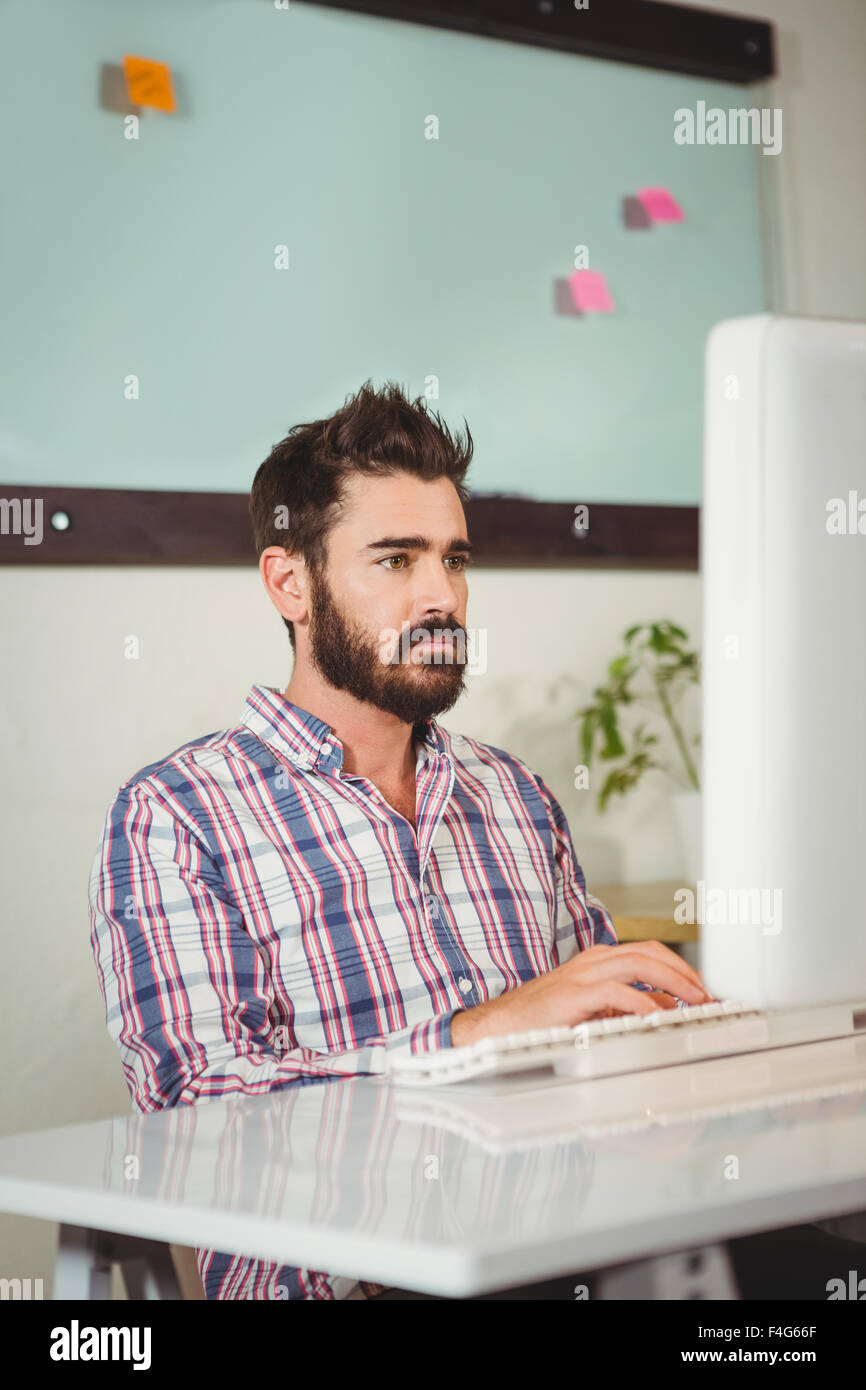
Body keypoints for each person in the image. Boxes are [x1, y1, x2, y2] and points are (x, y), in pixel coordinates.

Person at [88, 381, 736, 1300]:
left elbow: (603, 1038)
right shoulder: (177, 815)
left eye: (455, 559)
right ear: (290, 582)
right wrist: (472, 1037)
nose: (443, 596)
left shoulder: (516, 796)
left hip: (575, 1258)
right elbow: (196, 1123)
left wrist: (665, 1070)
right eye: (396, 560)